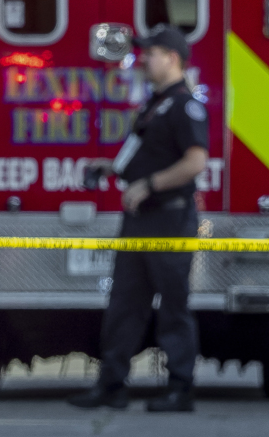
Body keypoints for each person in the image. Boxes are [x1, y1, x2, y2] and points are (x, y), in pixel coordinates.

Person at [68, 24, 209, 413]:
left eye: (151, 53)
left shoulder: (185, 105)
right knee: (124, 304)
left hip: (170, 219)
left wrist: (149, 184)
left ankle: (180, 388)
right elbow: (145, 153)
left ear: (173, 58)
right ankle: (111, 386)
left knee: (174, 308)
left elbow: (195, 161)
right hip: (141, 221)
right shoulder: (155, 104)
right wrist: (113, 168)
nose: (143, 59)